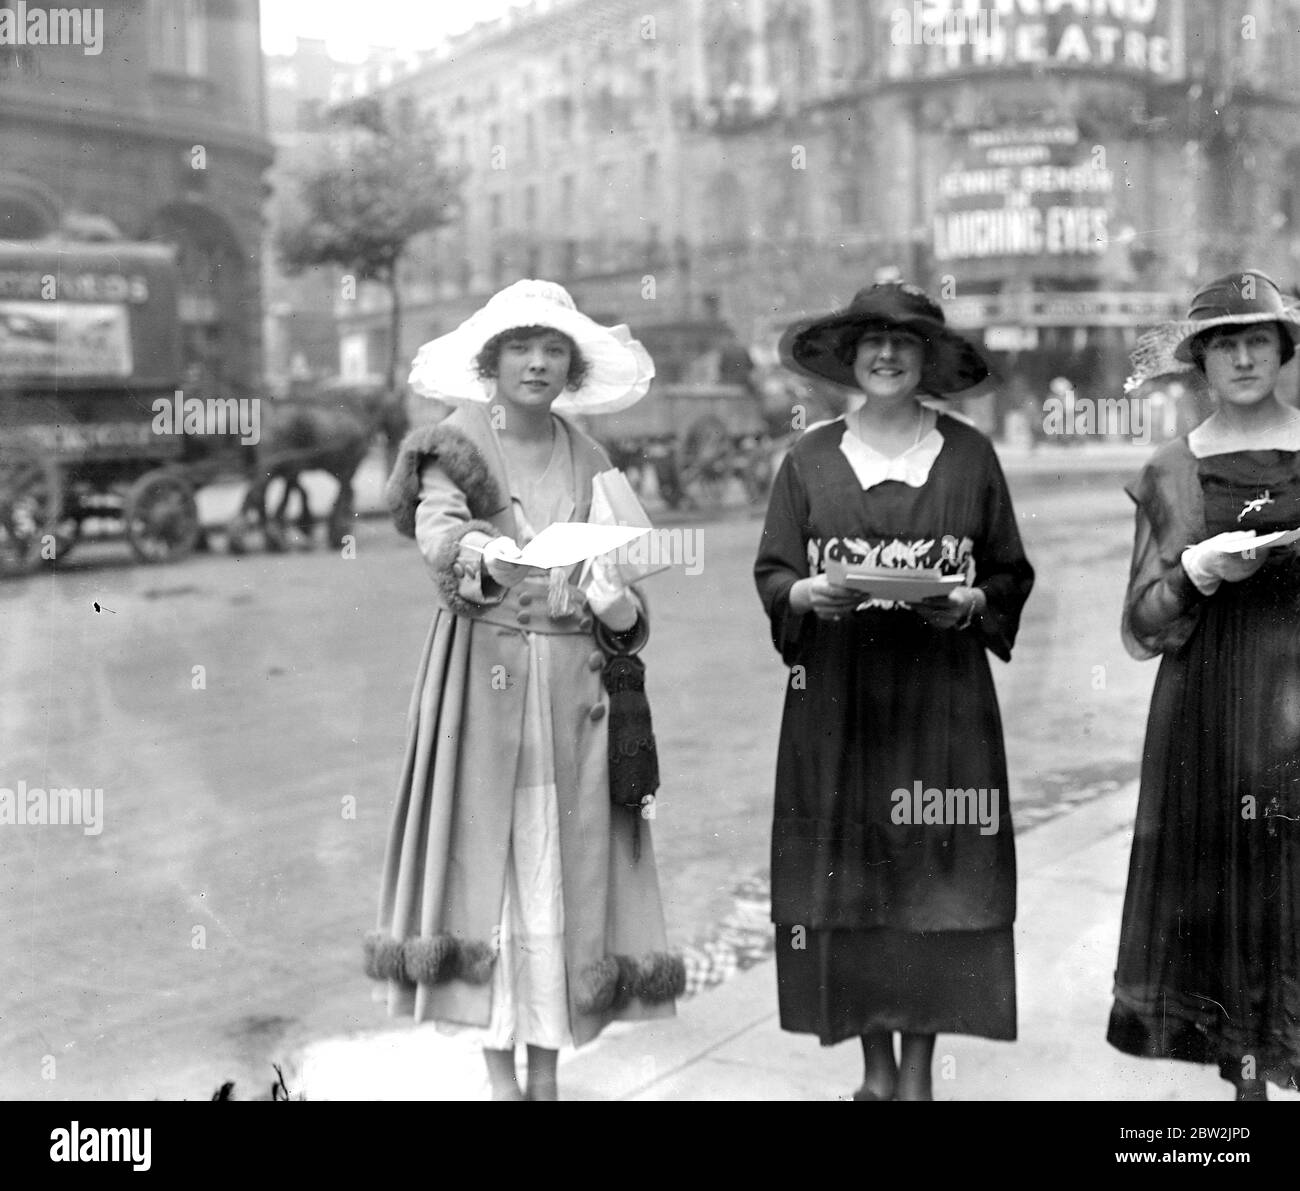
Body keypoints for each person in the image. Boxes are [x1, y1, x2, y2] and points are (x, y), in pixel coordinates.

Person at [365, 279, 682, 1101]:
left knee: (558, 869)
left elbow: (632, 587)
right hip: (483, 683)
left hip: (574, 696)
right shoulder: (456, 442)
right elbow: (437, 528)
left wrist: (613, 597)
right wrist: (481, 550)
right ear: (492, 360)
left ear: (571, 366)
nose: (537, 362)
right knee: (492, 869)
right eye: (520, 347)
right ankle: (501, 1079)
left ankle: (546, 1072)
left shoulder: (592, 456)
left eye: (553, 350)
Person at [754, 281, 1035, 1101]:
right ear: (848, 357)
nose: (886, 355)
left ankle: (918, 1073)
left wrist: (974, 601)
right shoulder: (808, 459)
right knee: (852, 874)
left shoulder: (970, 454)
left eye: (904, 343)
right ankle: (873, 1072)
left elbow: (1009, 569)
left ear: (929, 359)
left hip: (942, 699)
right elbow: (775, 570)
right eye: (871, 341)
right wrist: (806, 595)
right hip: (837, 702)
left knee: (937, 873)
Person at [1107, 270, 1300, 1100]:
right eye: (1226, 343)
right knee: (1229, 898)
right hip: (1209, 716)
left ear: (1284, 351)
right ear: (1201, 361)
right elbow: (1143, 625)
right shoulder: (1172, 468)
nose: (1245, 357)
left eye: (1259, 339)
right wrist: (1196, 569)